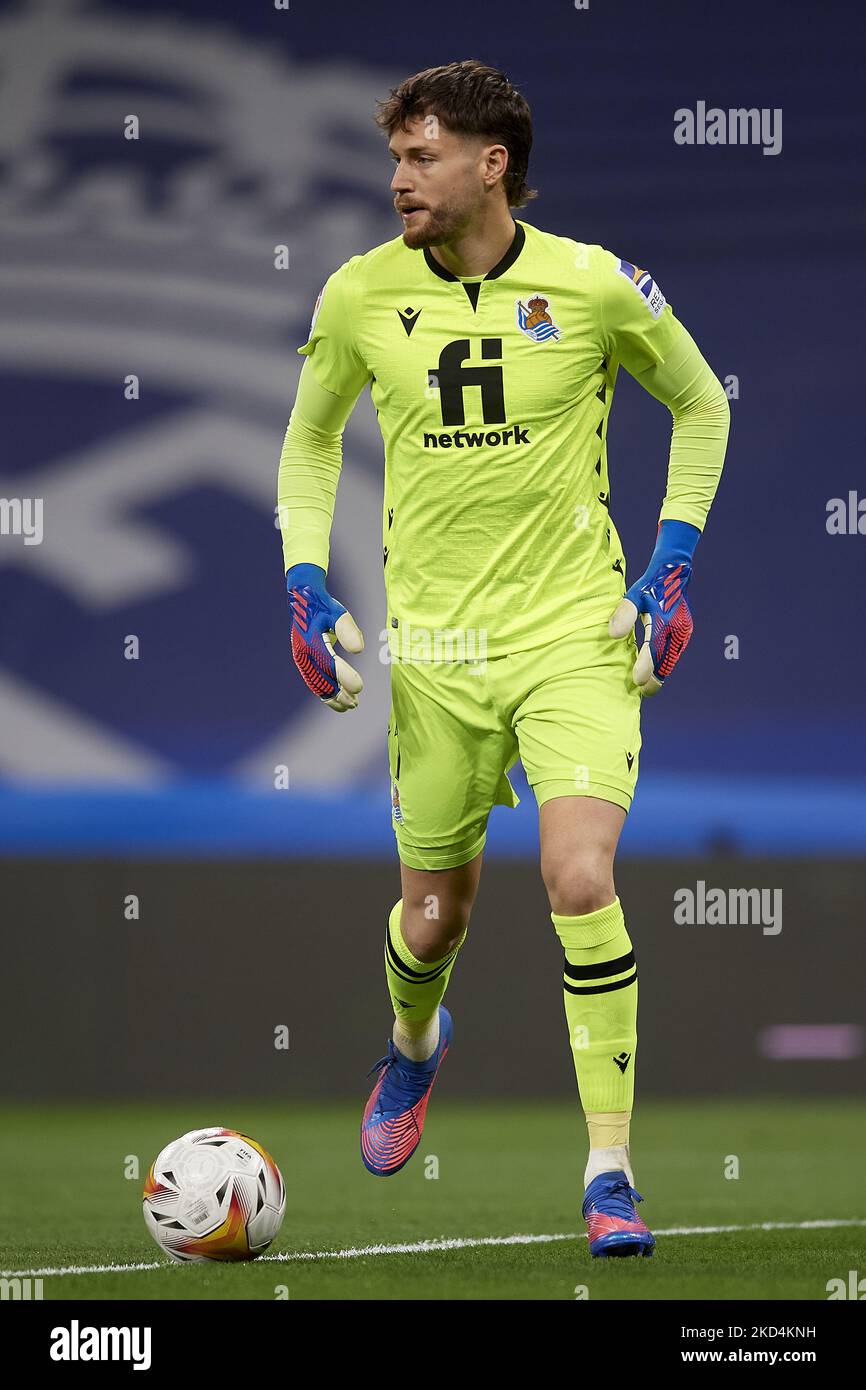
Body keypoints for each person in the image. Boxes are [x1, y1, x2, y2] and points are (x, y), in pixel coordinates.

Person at [277, 59, 729, 1258]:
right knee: (430, 919)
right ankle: (414, 1047)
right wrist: (301, 578)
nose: (396, 183)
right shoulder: (359, 296)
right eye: (393, 160)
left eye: (419, 158)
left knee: (578, 876)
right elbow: (311, 440)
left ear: (491, 164)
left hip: (573, 637)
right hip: (432, 653)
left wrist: (670, 560)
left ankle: (609, 1172)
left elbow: (700, 404)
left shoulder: (590, 286)